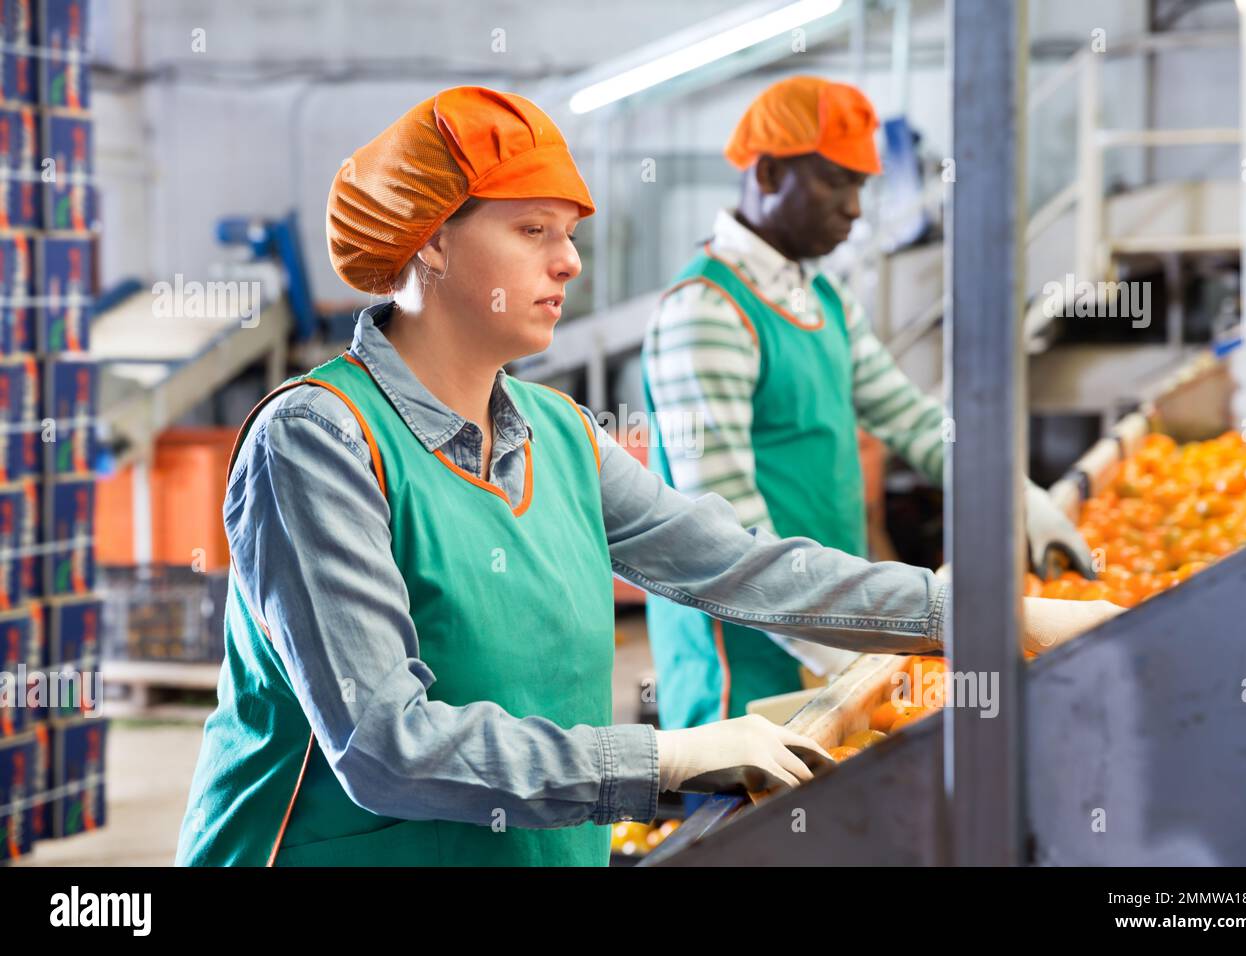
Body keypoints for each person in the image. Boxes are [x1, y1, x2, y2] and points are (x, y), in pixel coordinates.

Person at [176, 86, 1117, 867]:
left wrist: (992, 616)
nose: (570, 261)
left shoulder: (559, 435)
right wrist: (668, 754)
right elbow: (386, 747)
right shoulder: (320, 441)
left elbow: (745, 567)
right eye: (534, 229)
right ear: (429, 240)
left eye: (572, 231)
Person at [642, 76, 1096, 733]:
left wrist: (1017, 496)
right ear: (768, 172)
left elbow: (911, 418)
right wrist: (846, 653)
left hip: (834, 628)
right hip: (746, 667)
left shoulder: (823, 298)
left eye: (862, 185)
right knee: (751, 833)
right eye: (836, 182)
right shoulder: (706, 312)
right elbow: (723, 535)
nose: (856, 209)